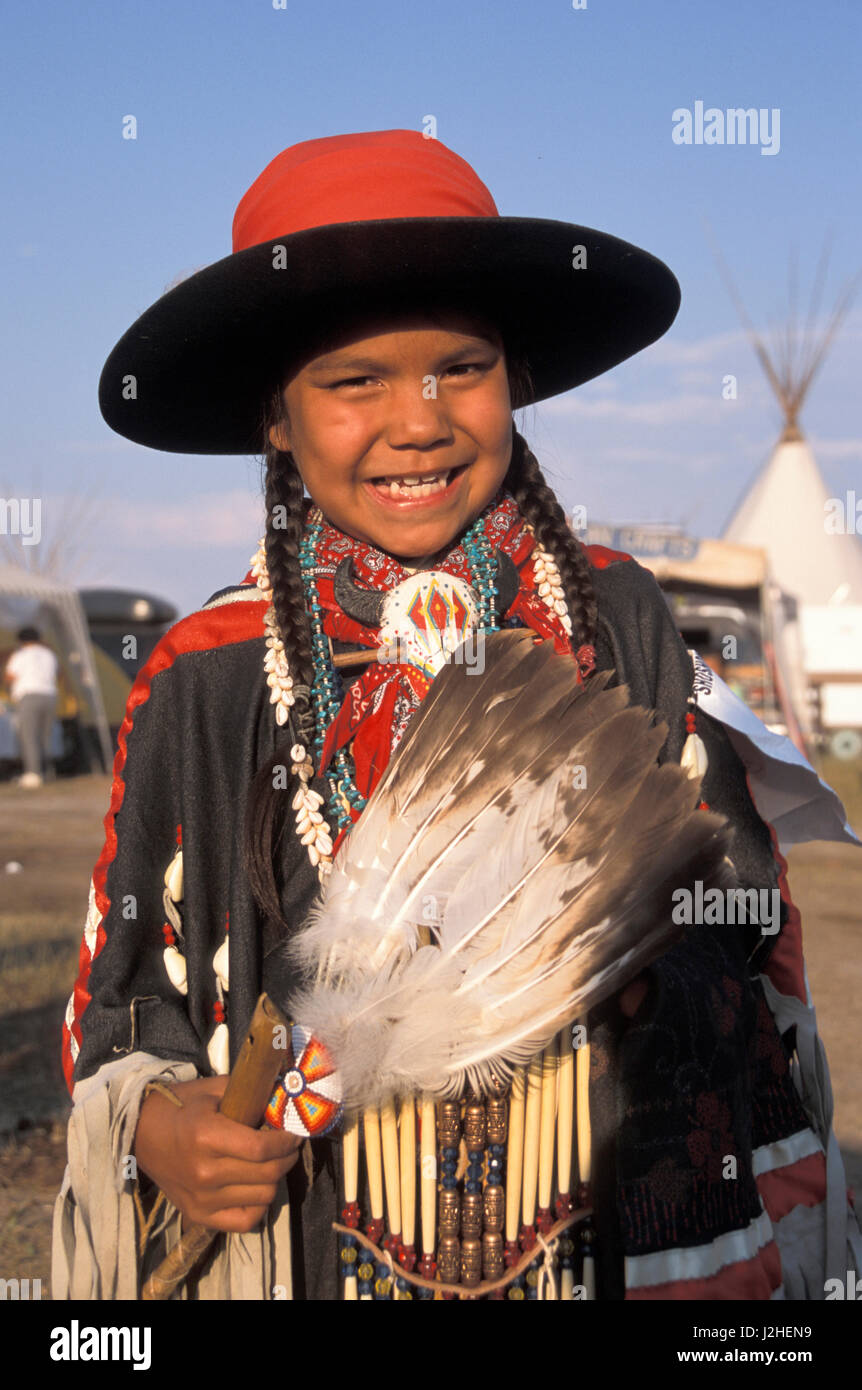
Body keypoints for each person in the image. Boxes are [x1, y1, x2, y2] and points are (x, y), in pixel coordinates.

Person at [53, 129, 861, 1301]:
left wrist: (643, 972)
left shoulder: (610, 614)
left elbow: (737, 912)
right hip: (310, 1238)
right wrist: (166, 1127)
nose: (419, 420)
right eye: (352, 382)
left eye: (461, 368)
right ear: (273, 418)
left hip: (605, 1227)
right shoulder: (207, 672)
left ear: (516, 377)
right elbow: (127, 994)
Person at [3, 625, 59, 787]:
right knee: (45, 735)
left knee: (28, 736)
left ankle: (33, 773)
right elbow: (57, 673)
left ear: (21, 640)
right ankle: (48, 770)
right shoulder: (49, 654)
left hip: (28, 695)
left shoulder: (21, 655)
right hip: (49, 695)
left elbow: (10, 676)